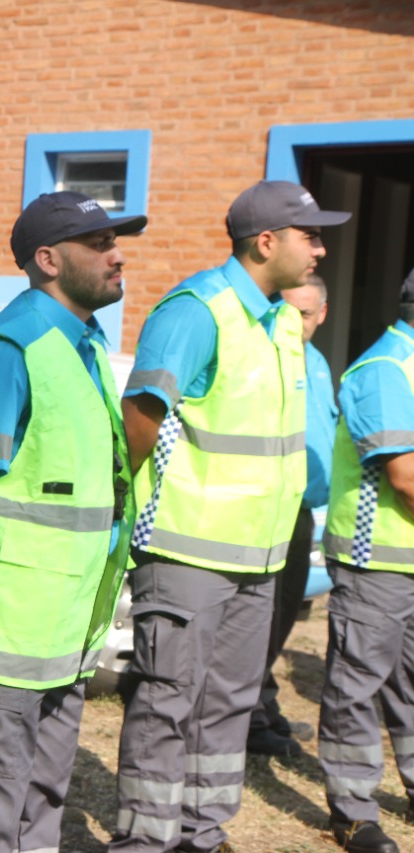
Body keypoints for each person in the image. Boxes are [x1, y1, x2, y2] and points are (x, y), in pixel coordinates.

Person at [112, 180, 350, 853]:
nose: (321, 248)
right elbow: (140, 419)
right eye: (311, 235)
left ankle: (200, 833)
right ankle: (145, 841)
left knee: (229, 708)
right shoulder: (197, 311)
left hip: (259, 557)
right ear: (266, 241)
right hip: (188, 555)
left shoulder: (279, 320)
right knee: (168, 704)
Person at [0, 191, 143, 853]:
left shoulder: (79, 344)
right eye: (100, 244)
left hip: (64, 626)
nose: (117, 256)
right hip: (6, 635)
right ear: (47, 260)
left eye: (117, 241)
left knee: (42, 797)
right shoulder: (9, 350)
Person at [317, 268, 414, 853]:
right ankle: (353, 812)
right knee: (357, 686)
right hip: (374, 558)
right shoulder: (384, 372)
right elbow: (405, 475)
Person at [247, 273, 338, 758]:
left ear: (322, 314)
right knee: (264, 615)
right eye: (287, 310)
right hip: (271, 506)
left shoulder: (317, 361)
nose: (295, 321)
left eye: (304, 313)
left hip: (305, 508)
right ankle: (250, 715)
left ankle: (261, 699)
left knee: (283, 616)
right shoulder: (267, 354)